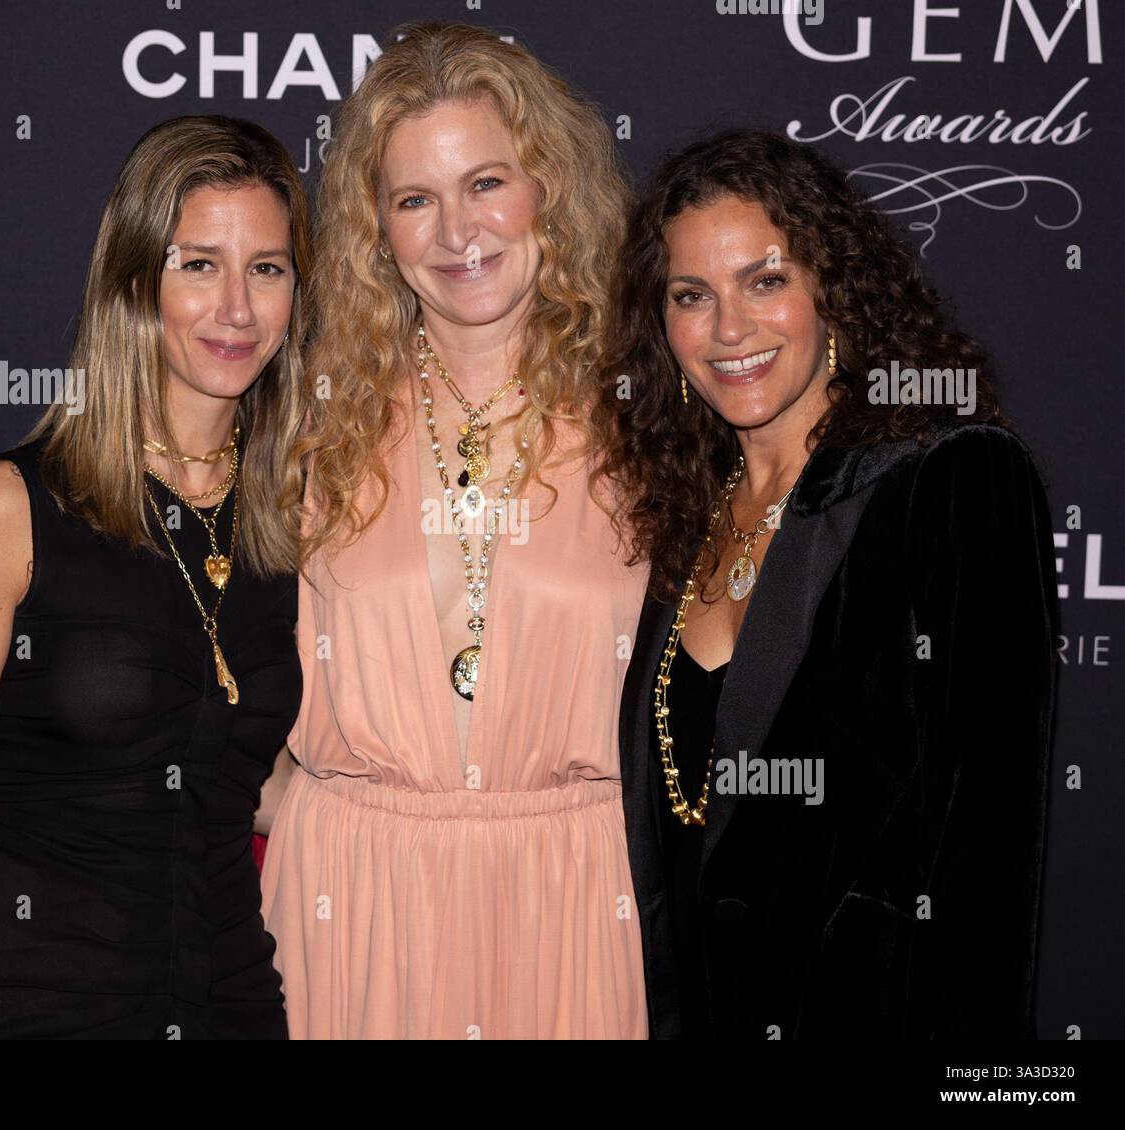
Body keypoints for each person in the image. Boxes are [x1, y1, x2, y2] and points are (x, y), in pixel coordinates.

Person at [597, 129, 1057, 1039]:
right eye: (693, 295)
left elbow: (988, 865)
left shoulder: (952, 482)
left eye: (765, 281)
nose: (729, 328)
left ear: (831, 290)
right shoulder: (685, 519)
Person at [0, 115, 311, 1039]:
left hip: (229, 999)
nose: (237, 308)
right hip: (28, 1003)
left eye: (266, 269)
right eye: (198, 264)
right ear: (133, 282)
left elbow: (263, 781)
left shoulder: (299, 525)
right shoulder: (7, 510)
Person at [260, 22, 650, 1038]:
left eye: (486, 183)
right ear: (374, 227)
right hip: (351, 904)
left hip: (575, 898)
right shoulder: (308, 419)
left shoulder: (653, 417)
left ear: (548, 191)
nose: (455, 231)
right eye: (414, 199)